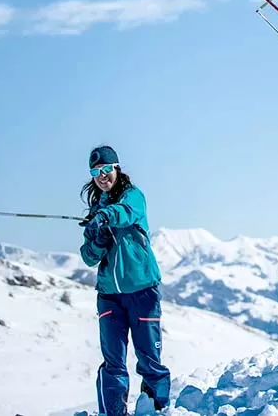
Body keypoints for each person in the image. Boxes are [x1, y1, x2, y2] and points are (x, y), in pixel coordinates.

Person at [78, 145, 171, 415]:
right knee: (113, 363)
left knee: (149, 360)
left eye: (106, 169)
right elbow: (87, 257)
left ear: (117, 168)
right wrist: (98, 240)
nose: (101, 175)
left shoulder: (133, 197)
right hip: (109, 295)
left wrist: (106, 217)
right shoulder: (97, 210)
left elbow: (126, 212)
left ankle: (156, 409)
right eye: (95, 171)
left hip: (142, 291)